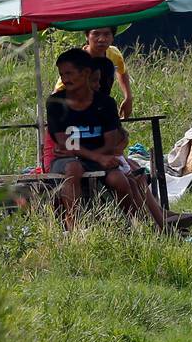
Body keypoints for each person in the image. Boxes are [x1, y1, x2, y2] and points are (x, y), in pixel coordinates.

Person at [46, 48, 157, 231]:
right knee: (74, 167)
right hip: (70, 160)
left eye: (70, 73)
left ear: (85, 73)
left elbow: (110, 142)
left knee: (119, 180)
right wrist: (97, 156)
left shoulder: (105, 104)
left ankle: (139, 227)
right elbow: (63, 142)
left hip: (98, 156)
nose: (65, 79)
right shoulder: (55, 103)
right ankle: (72, 224)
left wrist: (93, 154)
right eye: (62, 74)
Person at [53, 26, 132, 118]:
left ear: (113, 37)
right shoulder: (76, 61)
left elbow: (122, 71)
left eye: (106, 34)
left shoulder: (114, 53)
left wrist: (128, 97)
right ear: (87, 36)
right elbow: (57, 92)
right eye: (96, 34)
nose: (102, 39)